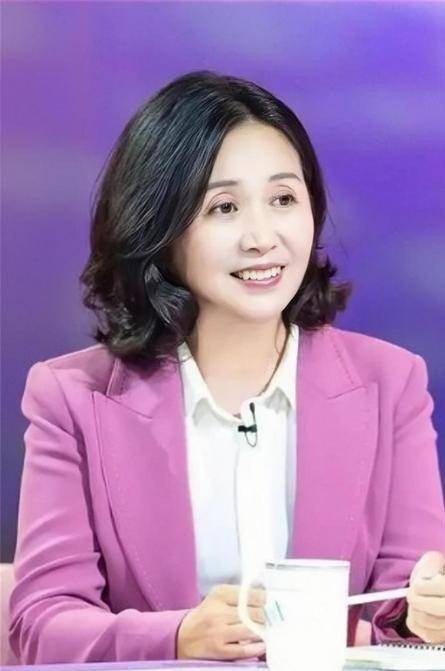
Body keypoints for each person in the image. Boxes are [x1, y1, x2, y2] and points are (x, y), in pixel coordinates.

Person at [9, 70, 445, 664]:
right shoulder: (71, 397)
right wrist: (177, 635)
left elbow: (402, 606)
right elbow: (40, 625)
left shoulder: (390, 383)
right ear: (159, 227)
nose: (263, 237)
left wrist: (422, 615)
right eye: (224, 207)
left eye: (283, 199)